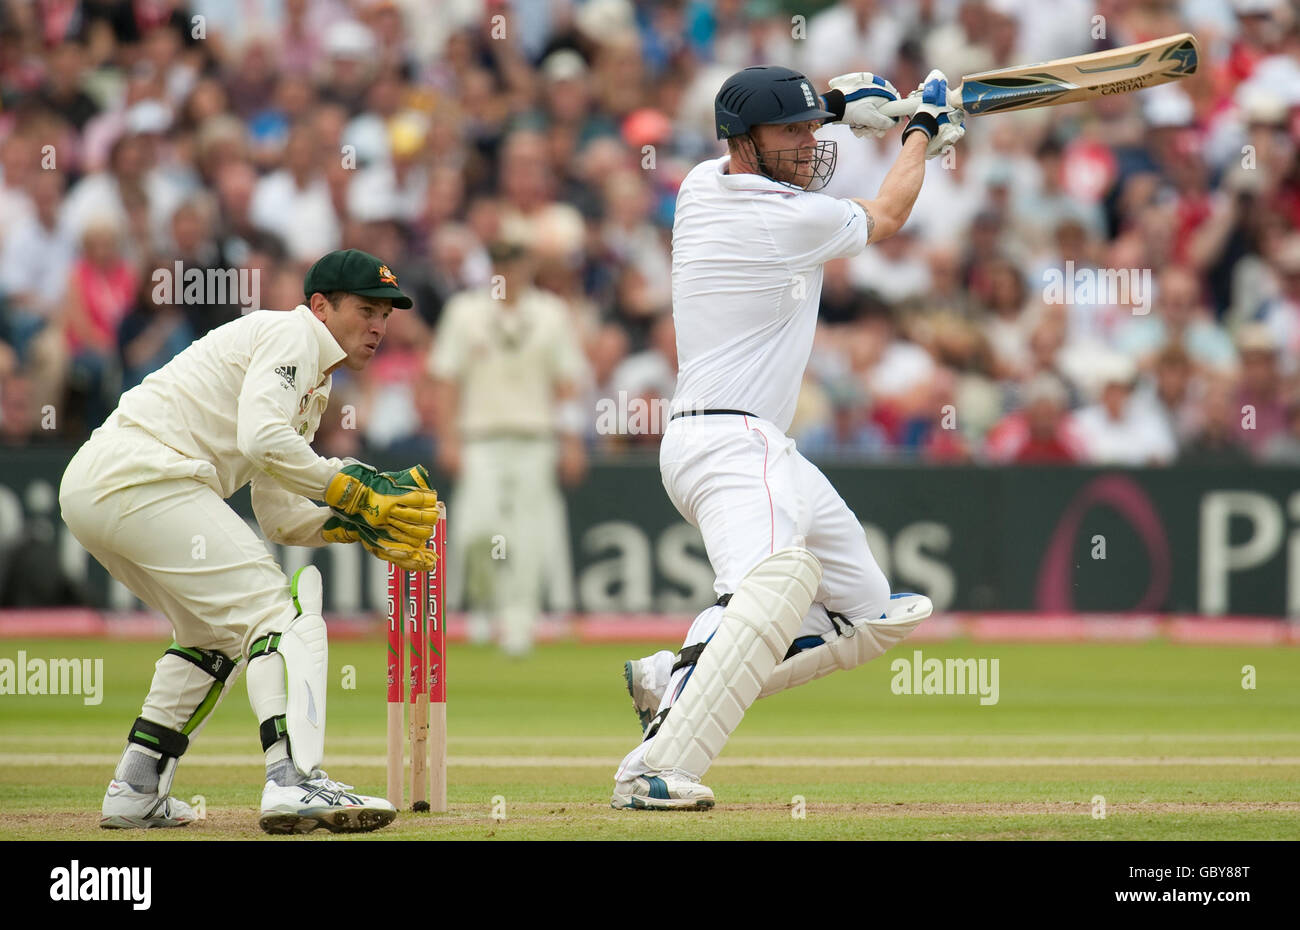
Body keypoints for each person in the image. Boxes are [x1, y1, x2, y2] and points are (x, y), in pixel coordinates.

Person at [612, 65, 955, 809]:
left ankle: (674, 675)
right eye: (791, 132)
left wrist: (837, 106)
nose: (808, 144)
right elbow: (889, 214)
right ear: (743, 142)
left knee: (871, 614)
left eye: (811, 127)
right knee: (766, 594)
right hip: (731, 441)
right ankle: (651, 771)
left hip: (751, 443)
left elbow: (782, 136)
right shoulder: (781, 216)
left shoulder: (701, 185)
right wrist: (922, 132)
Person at [59, 249, 442, 833]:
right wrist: (353, 486)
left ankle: (135, 787)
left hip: (101, 488)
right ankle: (292, 779)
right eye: (366, 309)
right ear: (320, 306)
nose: (378, 327)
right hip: (141, 476)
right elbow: (262, 439)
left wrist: (353, 523)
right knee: (276, 610)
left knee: (213, 635)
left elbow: (280, 517)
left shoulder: (312, 382)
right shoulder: (292, 335)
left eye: (385, 314)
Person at [429, 236, 588, 656]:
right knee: (475, 530)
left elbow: (567, 383)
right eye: (499, 266)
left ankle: (519, 622)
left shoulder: (551, 314)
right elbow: (446, 379)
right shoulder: (464, 312)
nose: (507, 275)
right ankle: (485, 603)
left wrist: (572, 442)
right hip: (479, 438)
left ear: (527, 267)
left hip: (535, 438)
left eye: (513, 266)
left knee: (528, 537)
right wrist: (447, 439)